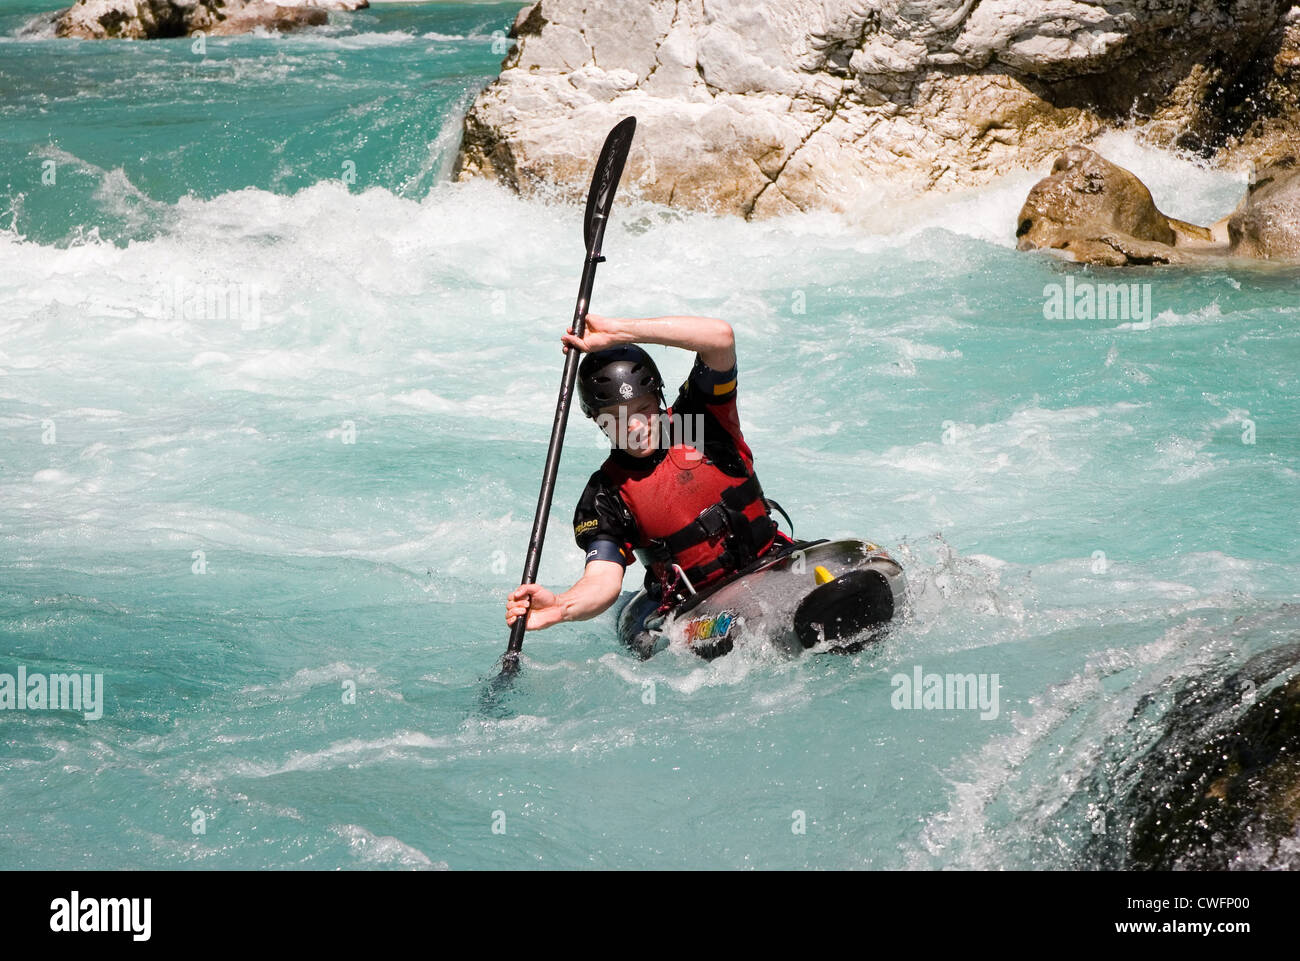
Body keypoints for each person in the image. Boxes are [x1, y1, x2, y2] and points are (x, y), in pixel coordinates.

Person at [504, 313, 793, 652]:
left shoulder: (701, 420)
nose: (636, 427)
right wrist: (562, 606)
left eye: (643, 409)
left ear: (659, 400)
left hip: (771, 560)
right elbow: (602, 580)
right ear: (597, 421)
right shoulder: (605, 494)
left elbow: (720, 338)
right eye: (616, 418)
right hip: (696, 605)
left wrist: (619, 332)